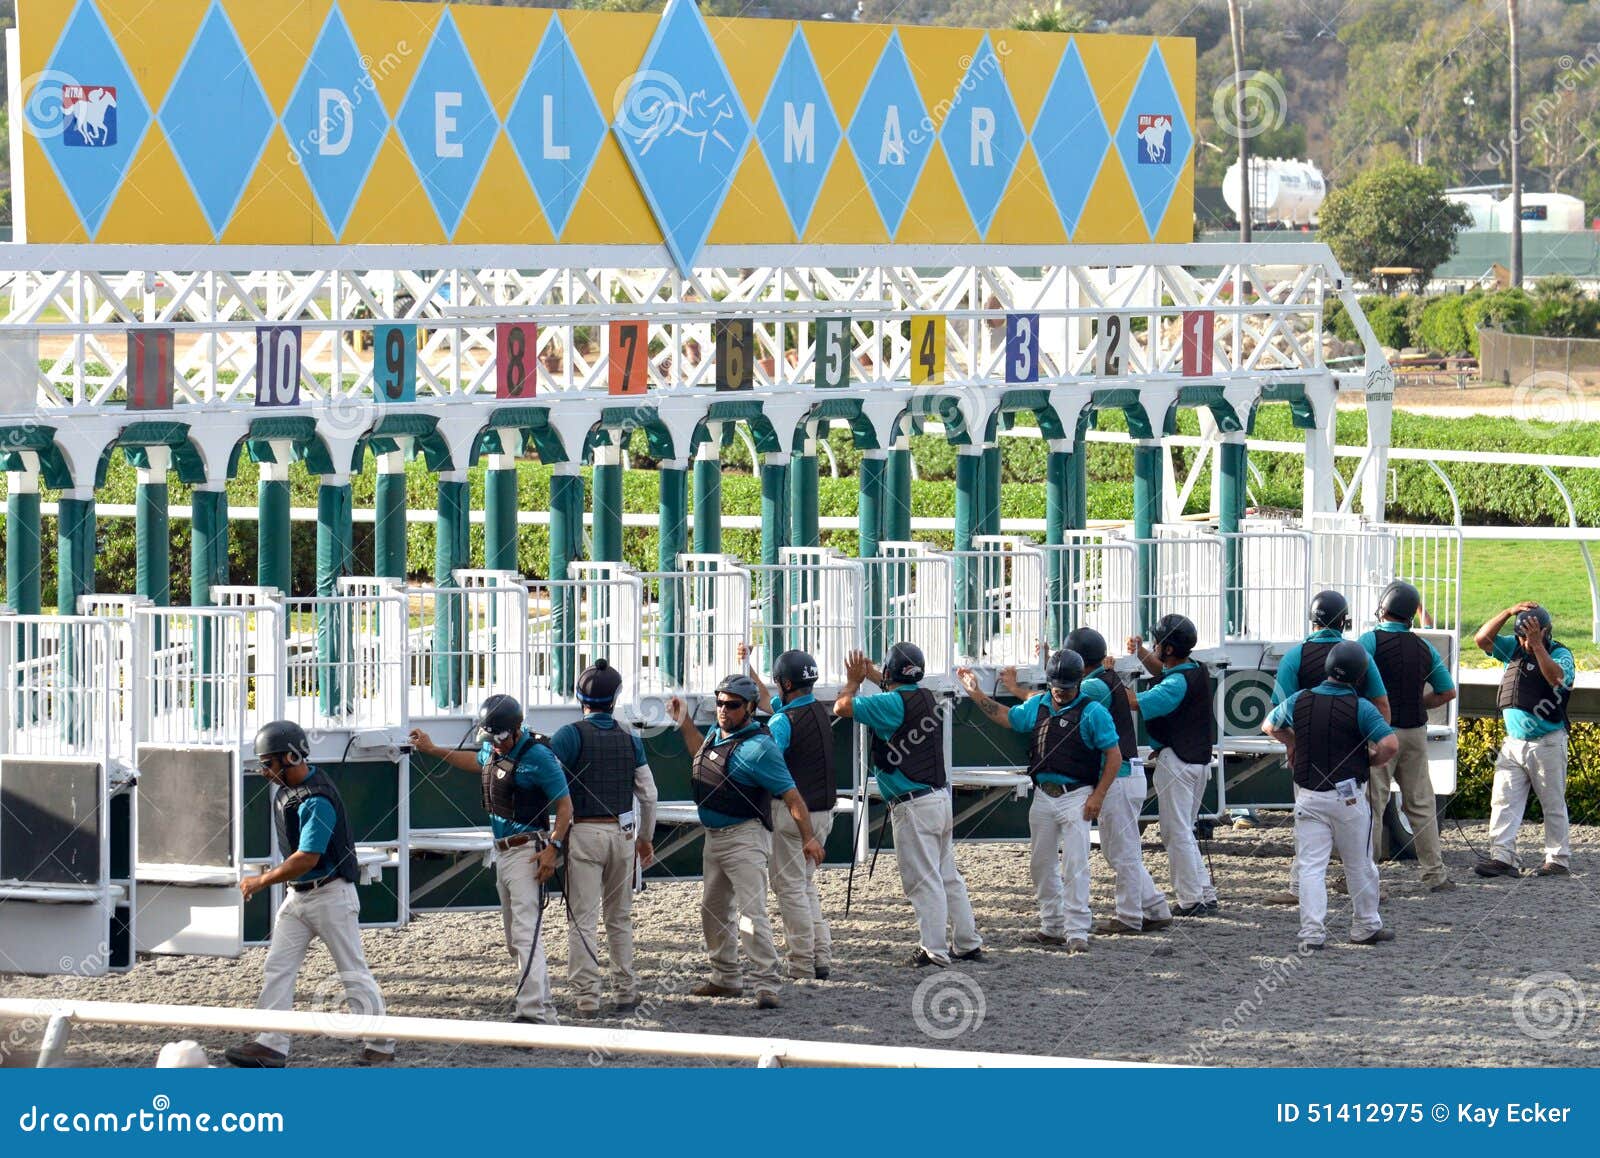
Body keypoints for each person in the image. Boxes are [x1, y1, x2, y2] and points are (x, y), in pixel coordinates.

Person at [225, 721, 394, 1068]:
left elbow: (307, 858)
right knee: (278, 968)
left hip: (331, 895)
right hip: (301, 895)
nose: (264, 771)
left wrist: (262, 881)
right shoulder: (292, 789)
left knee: (352, 972)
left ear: (290, 756)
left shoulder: (316, 799)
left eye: (268, 763)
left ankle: (381, 1041)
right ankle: (271, 1043)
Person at [410, 695, 572, 1024]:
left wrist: (553, 848)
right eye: (491, 740)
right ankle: (544, 1007)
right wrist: (433, 749)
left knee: (525, 935)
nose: (494, 747)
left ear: (516, 730)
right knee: (517, 937)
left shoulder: (539, 756)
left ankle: (532, 1014)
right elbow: (476, 762)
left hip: (528, 850)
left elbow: (566, 805)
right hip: (505, 851)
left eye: (499, 739)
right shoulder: (495, 749)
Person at [668, 675, 823, 1009]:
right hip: (715, 838)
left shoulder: (760, 748)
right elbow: (701, 755)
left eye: (732, 705)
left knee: (752, 913)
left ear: (750, 707)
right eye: (719, 703)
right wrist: (685, 723)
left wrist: (808, 837)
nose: (723, 710)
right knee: (713, 910)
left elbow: (793, 796)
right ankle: (725, 978)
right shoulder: (717, 734)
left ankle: (767, 984)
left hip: (745, 837)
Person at [962, 649, 1121, 953]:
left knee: (1075, 865)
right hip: (1044, 795)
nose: (1061, 693)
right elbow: (1007, 717)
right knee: (1041, 863)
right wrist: (975, 693)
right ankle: (1052, 926)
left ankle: (1076, 930)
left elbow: (1113, 755)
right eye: (1057, 687)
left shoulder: (1093, 712)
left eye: (1067, 688)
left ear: (1078, 683)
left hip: (1076, 795)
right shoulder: (1039, 704)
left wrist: (1098, 796)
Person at [836, 642, 984, 968]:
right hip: (938, 799)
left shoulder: (890, 702)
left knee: (923, 882)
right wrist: (872, 674)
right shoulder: (926, 695)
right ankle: (967, 942)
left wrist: (852, 681)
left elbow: (842, 707)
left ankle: (934, 950)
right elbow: (896, 688)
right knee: (948, 876)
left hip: (913, 805)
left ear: (890, 673)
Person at [1263, 641, 1399, 949]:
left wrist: (1292, 741)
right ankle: (1365, 925)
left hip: (1309, 794)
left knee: (1311, 867)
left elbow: (1269, 725)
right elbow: (1390, 745)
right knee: (1359, 863)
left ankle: (1312, 934)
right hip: (1347, 796)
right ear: (1360, 675)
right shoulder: (1361, 707)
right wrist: (1372, 760)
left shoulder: (1300, 699)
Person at [1263, 590, 1390, 906]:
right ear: (1344, 621)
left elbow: (1278, 713)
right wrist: (1371, 742)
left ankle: (1298, 889)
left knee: (1306, 827)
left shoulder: (1295, 656)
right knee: (1358, 826)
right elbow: (1381, 703)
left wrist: (1293, 743)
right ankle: (1363, 890)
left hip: (1308, 755)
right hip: (1350, 756)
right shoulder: (1359, 654)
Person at [547, 659, 658, 1017]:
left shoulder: (569, 735)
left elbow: (549, 781)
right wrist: (646, 837)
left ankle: (587, 997)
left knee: (582, 918)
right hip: (624, 833)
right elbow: (649, 794)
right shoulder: (630, 736)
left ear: (580, 697)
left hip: (585, 833)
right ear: (615, 699)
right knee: (619, 917)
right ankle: (626, 990)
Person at [1066, 627, 1172, 933]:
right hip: (1128, 775)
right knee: (1121, 851)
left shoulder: (1095, 687)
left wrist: (1020, 693)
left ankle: (1129, 917)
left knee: (1122, 853)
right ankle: (1154, 906)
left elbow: (1058, 699)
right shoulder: (1104, 679)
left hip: (1119, 778)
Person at [744, 647, 839, 981]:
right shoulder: (816, 709)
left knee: (789, 889)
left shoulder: (783, 721)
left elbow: (763, 759)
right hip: (824, 813)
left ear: (785, 682)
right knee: (804, 884)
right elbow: (770, 700)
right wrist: (750, 668)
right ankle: (820, 955)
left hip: (793, 816)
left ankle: (800, 961)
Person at [1360, 581, 1457, 892]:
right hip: (1415, 731)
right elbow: (1446, 692)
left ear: (1383, 609)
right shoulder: (1424, 647)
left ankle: (1367, 876)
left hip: (1381, 732)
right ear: (1409, 615)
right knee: (1421, 803)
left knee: (1373, 804)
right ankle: (1435, 874)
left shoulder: (1369, 641)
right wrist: (1421, 702)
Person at [1472, 603, 1575, 878]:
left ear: (1545, 632)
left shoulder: (1561, 653)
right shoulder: (1513, 648)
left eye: (1530, 635)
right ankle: (1503, 857)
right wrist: (1507, 613)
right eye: (1521, 637)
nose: (1524, 643)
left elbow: (1557, 678)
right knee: (1503, 801)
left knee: (1552, 803)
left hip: (1548, 742)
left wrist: (1537, 645)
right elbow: (1481, 639)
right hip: (1513, 743)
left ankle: (1558, 860)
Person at [1126, 614, 1219, 917]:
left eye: (1157, 644)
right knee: (1185, 830)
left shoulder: (1176, 682)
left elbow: (1137, 702)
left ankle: (1191, 898)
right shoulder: (1195, 670)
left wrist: (1105, 678)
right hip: (1198, 761)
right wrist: (1141, 654)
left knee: (1175, 832)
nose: (1154, 647)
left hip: (1177, 762)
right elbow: (1166, 675)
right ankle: (1204, 892)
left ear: (1167, 649)